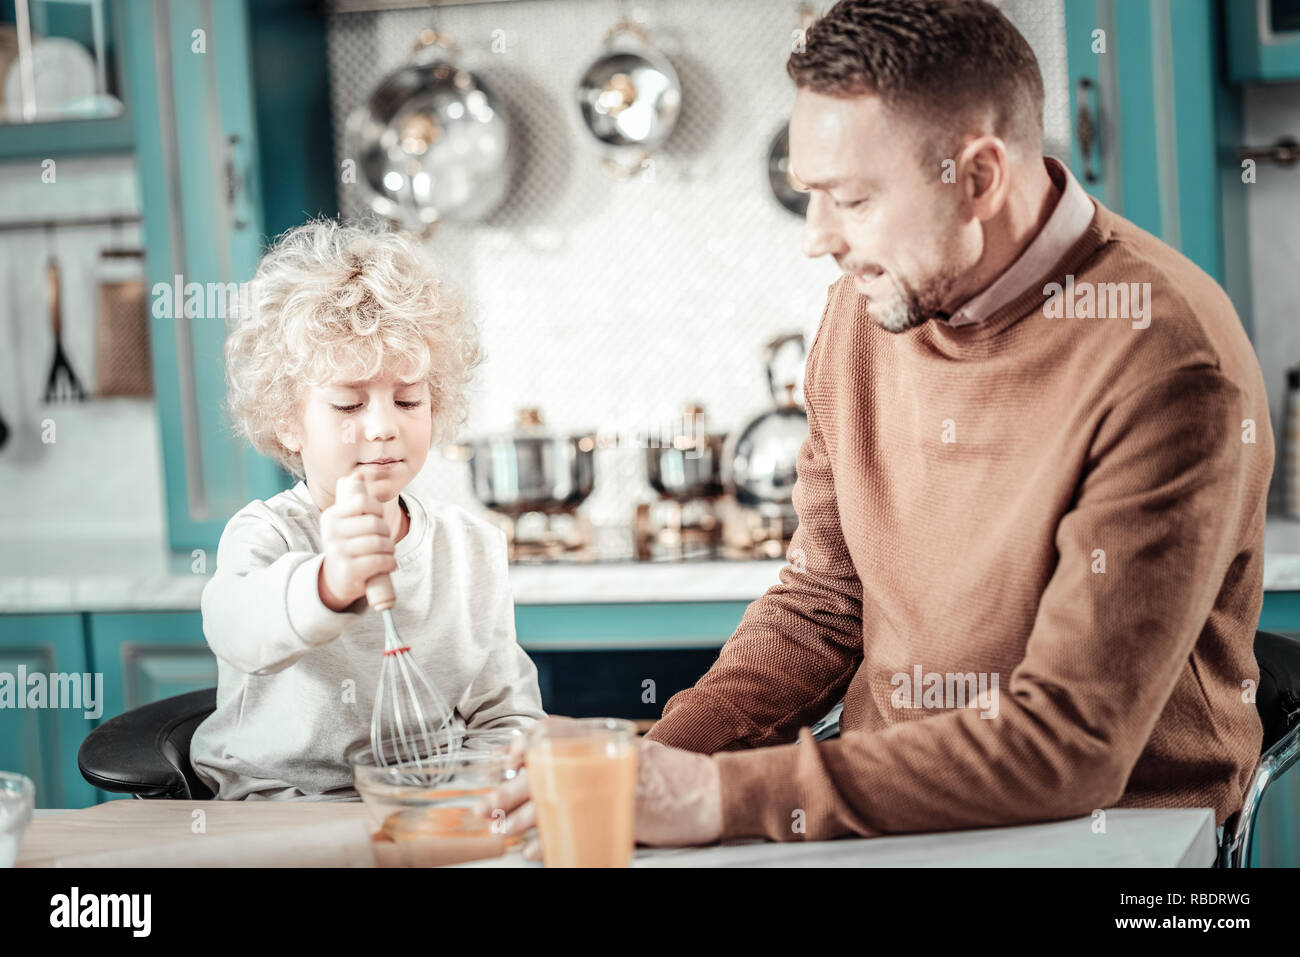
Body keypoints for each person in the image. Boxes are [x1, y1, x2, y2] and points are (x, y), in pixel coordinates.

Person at [480, 0, 1272, 854]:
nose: (817, 239)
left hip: (1114, 836)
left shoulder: (1164, 358)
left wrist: (716, 796)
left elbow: (1069, 744)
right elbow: (823, 600)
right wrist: (648, 768)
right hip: (885, 818)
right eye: (809, 195)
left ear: (977, 178)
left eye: (850, 198)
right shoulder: (865, 311)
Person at [190, 220, 545, 800]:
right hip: (280, 812)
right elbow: (237, 630)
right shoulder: (267, 534)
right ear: (287, 418)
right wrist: (328, 583)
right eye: (349, 403)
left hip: (425, 804)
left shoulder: (470, 547)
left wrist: (477, 792)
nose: (384, 427)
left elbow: (506, 715)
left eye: (409, 399)